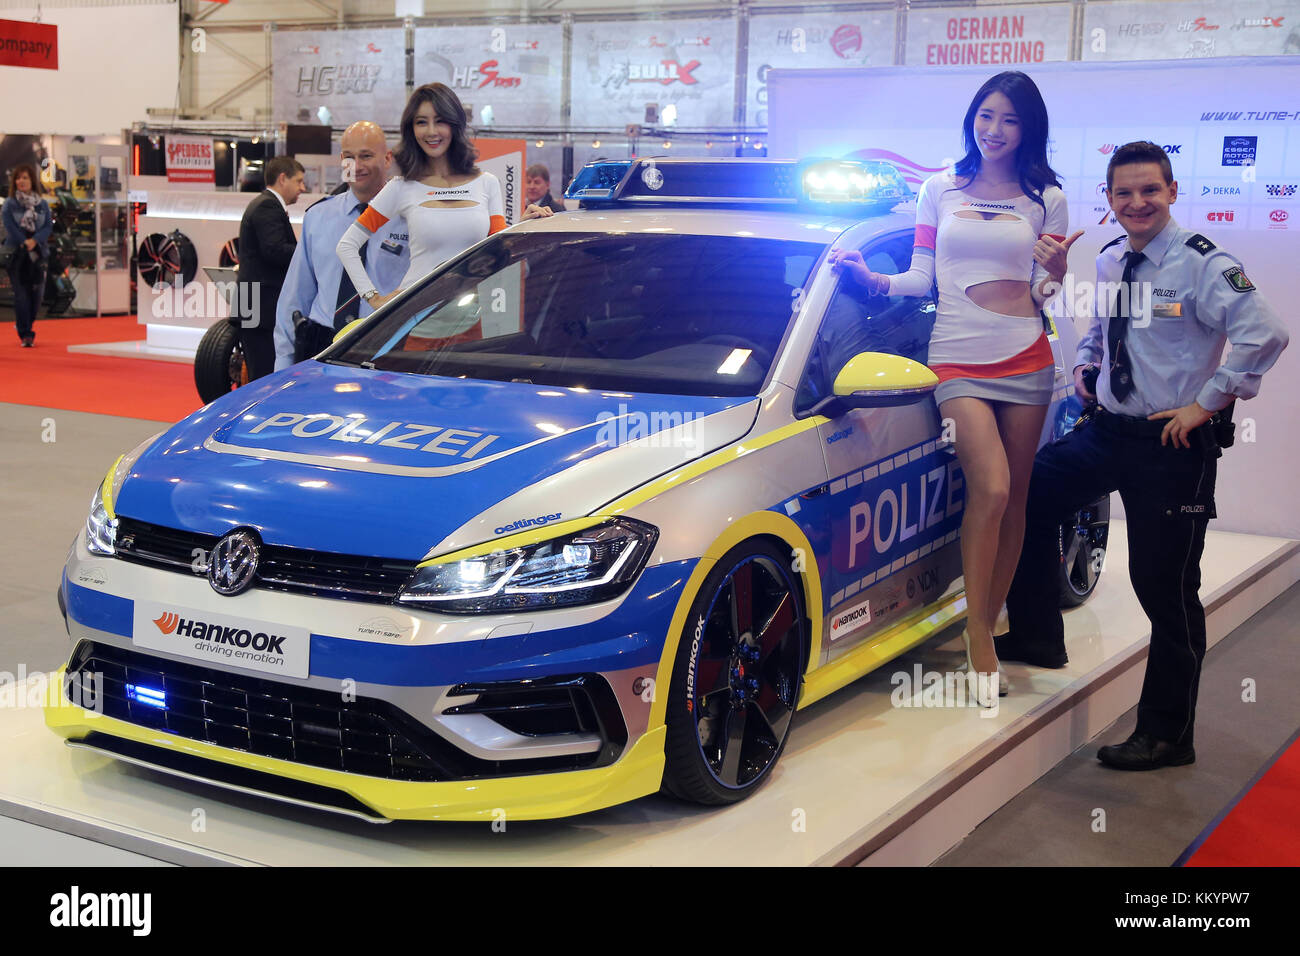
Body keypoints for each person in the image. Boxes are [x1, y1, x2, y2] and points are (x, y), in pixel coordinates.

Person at [998, 141, 1288, 768]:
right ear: (1109, 200)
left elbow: (1265, 334)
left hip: (1171, 445)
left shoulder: (1202, 264)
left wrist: (1205, 404)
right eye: (1124, 193)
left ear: (1173, 192)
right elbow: (1106, 327)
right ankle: (1037, 635)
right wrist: (1086, 363)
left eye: (1149, 191)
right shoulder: (1109, 260)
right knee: (1030, 493)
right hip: (1108, 431)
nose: (1137, 203)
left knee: (1165, 589)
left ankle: (1167, 735)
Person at [828, 71, 1078, 702]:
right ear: (972, 118)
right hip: (957, 359)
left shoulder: (1046, 194)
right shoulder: (940, 188)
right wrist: (871, 279)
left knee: (1016, 499)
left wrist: (1056, 271)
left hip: (1026, 354)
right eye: (986, 116)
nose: (994, 130)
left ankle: (989, 617)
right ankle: (978, 635)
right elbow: (920, 276)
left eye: (1010, 120)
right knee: (989, 488)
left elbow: (1046, 293)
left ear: (1030, 129)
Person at [336, 82, 553, 309]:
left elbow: (497, 253)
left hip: (472, 317)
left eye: (440, 121)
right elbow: (347, 245)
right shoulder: (401, 187)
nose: (431, 131)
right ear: (412, 129)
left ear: (455, 124)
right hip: (414, 319)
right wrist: (374, 299)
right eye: (421, 122)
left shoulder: (486, 183)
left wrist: (520, 228)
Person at [273, 122, 410, 371]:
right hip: (321, 347)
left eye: (366, 156)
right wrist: (283, 365)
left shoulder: (408, 220)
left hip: (386, 350)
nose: (357, 166)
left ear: (387, 158)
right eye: (349, 157)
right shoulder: (318, 217)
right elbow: (295, 298)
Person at [235, 155, 307, 380]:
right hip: (260, 304)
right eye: (299, 181)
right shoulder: (268, 205)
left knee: (260, 369)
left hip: (255, 302)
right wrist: (308, 252)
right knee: (263, 374)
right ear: (283, 179)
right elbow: (274, 250)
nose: (302, 188)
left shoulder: (265, 204)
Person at [3, 164, 53, 347]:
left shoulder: (42, 205)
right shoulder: (10, 204)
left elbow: (48, 226)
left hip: (38, 254)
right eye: (18, 178)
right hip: (17, 254)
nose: (21, 181)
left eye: (24, 177)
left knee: (37, 294)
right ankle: (26, 333)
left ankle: (25, 323)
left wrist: (36, 241)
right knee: (21, 294)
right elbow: (9, 226)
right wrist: (24, 242)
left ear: (32, 181)